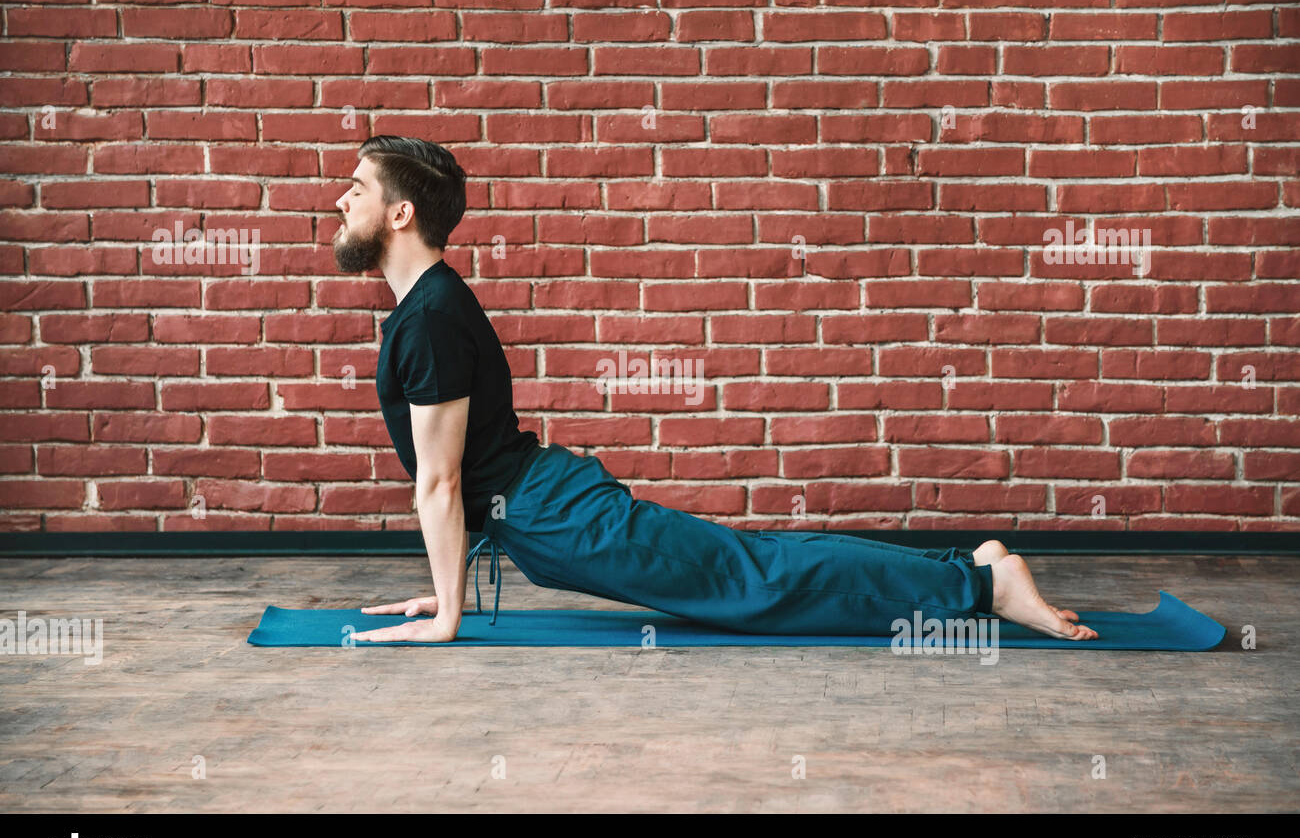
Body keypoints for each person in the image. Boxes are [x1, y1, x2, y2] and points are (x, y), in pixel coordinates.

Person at [332, 136, 1098, 645]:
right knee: (750, 565)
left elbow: (440, 482)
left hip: (558, 517)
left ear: (400, 214)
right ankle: (969, 569)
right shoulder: (427, 308)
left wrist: (448, 619)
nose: (342, 200)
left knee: (752, 580)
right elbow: (458, 476)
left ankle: (983, 584)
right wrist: (444, 591)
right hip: (542, 511)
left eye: (357, 188)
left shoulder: (427, 318)